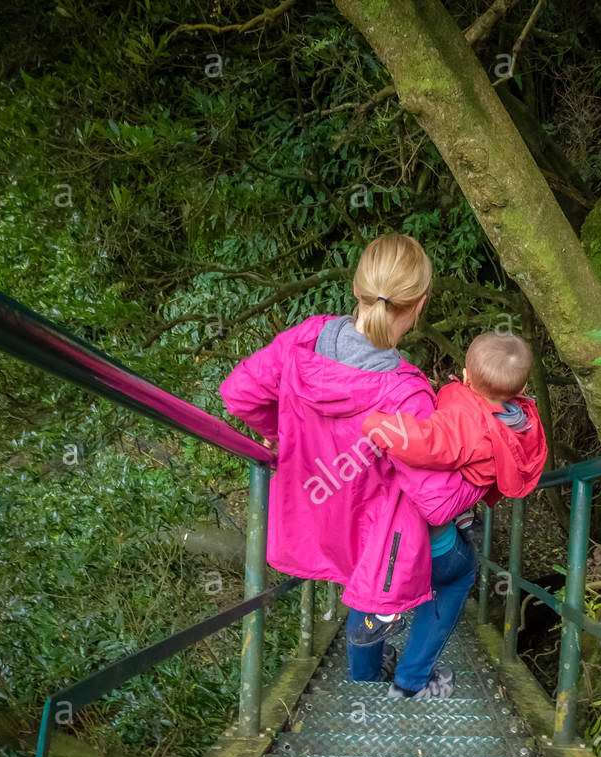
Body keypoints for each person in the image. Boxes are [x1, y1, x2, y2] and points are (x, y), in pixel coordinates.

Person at [220, 233, 484, 698]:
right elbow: (435, 500)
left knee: (363, 572)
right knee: (458, 570)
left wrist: (284, 437)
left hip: (319, 519)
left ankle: (364, 683)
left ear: (357, 289)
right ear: (419, 306)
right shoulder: (407, 392)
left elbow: (239, 393)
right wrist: (482, 480)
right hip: (377, 533)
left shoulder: (307, 337)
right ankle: (409, 682)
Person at [361, 329, 548, 511]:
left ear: (466, 377)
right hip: (480, 478)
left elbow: (423, 442)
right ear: (522, 389)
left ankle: (462, 519)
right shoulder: (522, 417)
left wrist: (374, 424)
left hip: (460, 488)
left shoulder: (468, 422)